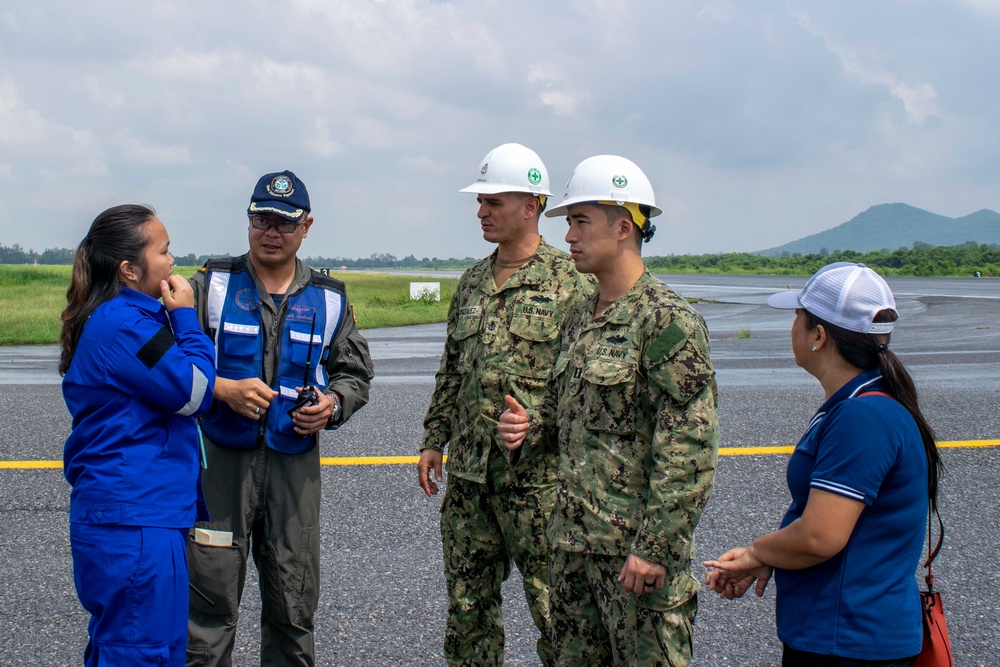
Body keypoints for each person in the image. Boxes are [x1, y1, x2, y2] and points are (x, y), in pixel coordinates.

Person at [498, 155, 720, 667]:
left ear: (625, 227)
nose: (569, 235)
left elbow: (689, 449)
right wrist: (526, 428)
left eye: (580, 221)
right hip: (572, 551)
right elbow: (562, 418)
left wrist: (657, 548)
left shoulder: (668, 320)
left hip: (632, 559)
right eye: (569, 222)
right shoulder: (581, 315)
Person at [703, 262, 943, 666]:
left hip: (847, 640)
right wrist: (769, 557)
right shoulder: (864, 403)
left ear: (818, 336)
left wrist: (756, 552)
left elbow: (820, 536)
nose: (792, 327)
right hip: (849, 633)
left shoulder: (861, 417)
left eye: (798, 316)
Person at [186, 170, 374, 667]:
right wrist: (221, 389)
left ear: (307, 226)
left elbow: (354, 373)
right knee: (207, 611)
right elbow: (163, 356)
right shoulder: (209, 286)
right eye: (261, 220)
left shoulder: (331, 298)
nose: (271, 232)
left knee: (293, 608)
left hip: (294, 472)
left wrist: (331, 405)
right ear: (248, 221)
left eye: (283, 223)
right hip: (218, 470)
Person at [417, 143, 593, 666]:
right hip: (470, 482)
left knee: (557, 615)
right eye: (480, 201)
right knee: (468, 615)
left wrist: (539, 424)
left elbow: (586, 394)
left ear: (532, 205)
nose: (481, 211)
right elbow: (452, 369)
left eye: (494, 201)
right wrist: (433, 439)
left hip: (539, 485)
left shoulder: (574, 285)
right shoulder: (471, 281)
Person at [60, 204, 216, 666]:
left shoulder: (130, 321)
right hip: (135, 522)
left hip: (143, 515)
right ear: (130, 269)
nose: (172, 261)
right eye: (164, 251)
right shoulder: (126, 326)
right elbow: (195, 391)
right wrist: (186, 318)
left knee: (146, 649)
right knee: (139, 652)